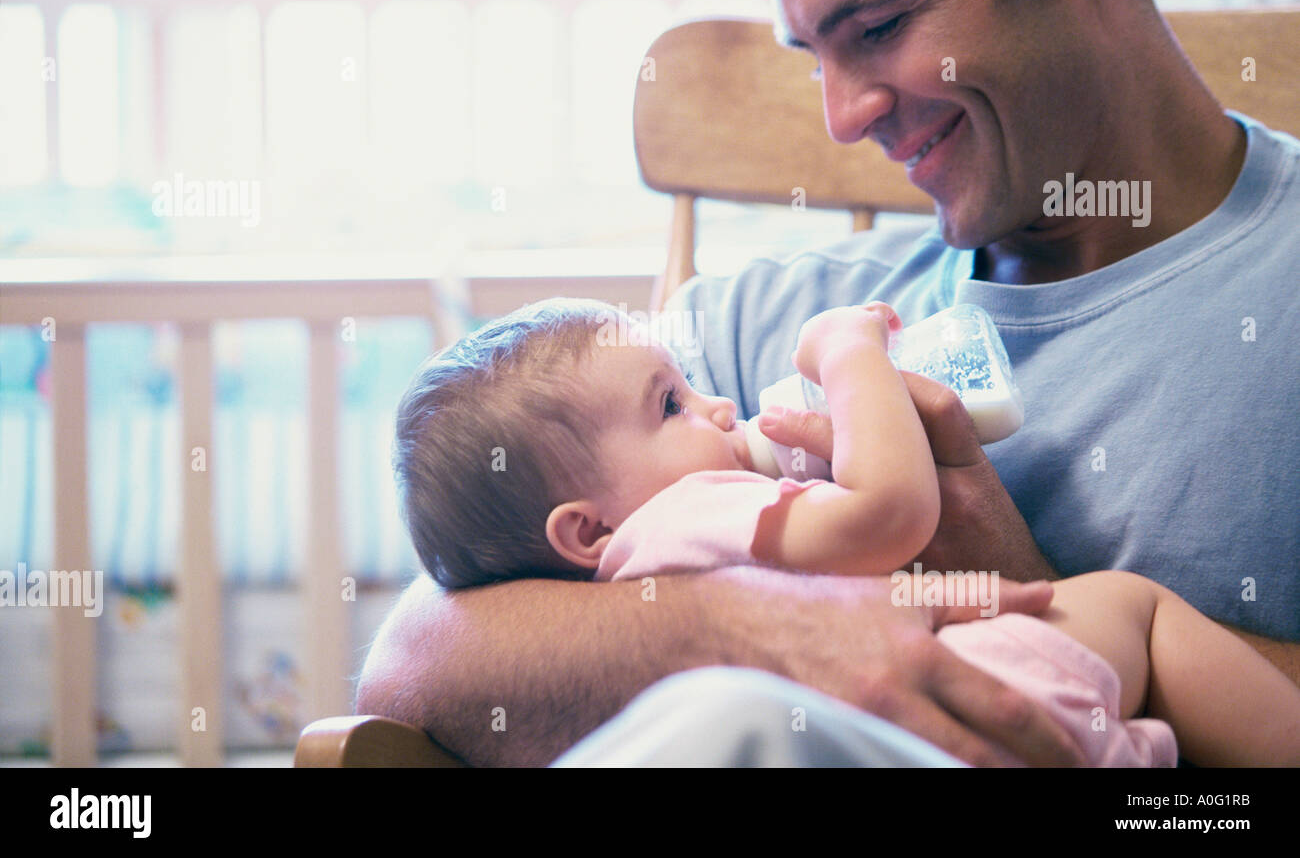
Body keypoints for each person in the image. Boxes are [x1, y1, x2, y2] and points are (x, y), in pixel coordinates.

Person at [357, 0, 1300, 766]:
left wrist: (1029, 597)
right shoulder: (733, 334)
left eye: (880, 27)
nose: (843, 118)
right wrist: (744, 625)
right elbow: (412, 665)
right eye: (814, 55)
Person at [389, 296, 1300, 765]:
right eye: (670, 403)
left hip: (904, 726)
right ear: (585, 531)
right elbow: (889, 513)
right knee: (1126, 608)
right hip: (953, 709)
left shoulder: (655, 553)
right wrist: (847, 353)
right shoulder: (692, 509)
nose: (715, 405)